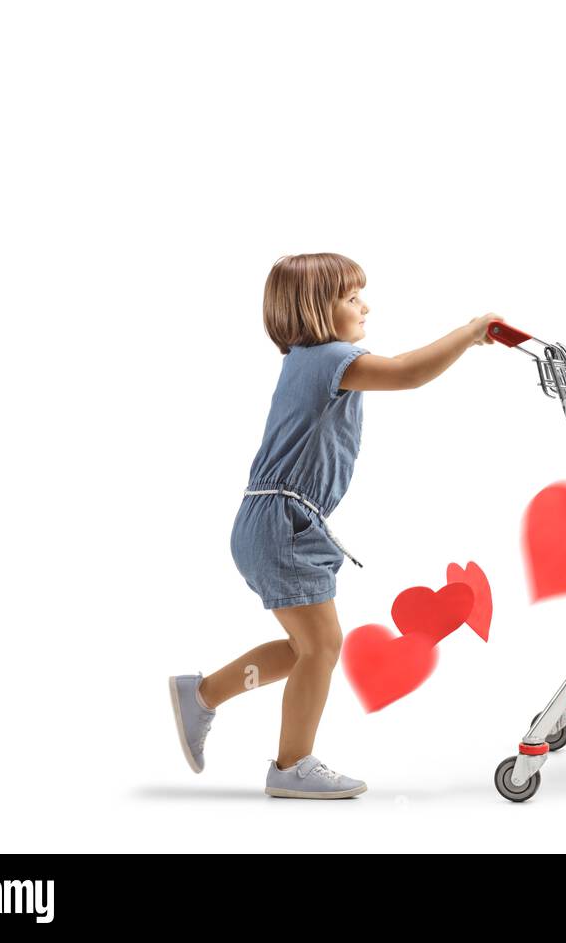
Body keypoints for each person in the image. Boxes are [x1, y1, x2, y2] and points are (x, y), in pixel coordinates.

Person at [168, 252, 502, 798]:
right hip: (284, 524)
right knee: (322, 647)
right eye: (352, 298)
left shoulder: (306, 359)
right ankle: (291, 765)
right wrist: (469, 333)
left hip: (273, 520)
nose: (365, 305)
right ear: (316, 311)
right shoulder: (332, 359)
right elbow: (408, 373)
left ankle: (201, 694)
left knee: (308, 647)